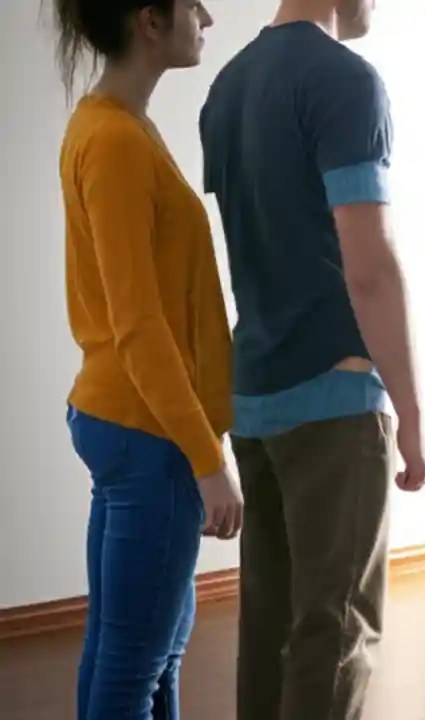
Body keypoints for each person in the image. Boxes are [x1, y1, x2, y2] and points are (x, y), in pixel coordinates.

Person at [199, 0, 425, 717]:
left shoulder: (227, 89)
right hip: (333, 401)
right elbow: (369, 266)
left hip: (257, 399)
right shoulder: (345, 82)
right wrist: (416, 414)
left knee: (272, 628)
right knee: (334, 633)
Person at [51, 1, 244, 718]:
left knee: (131, 650)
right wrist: (206, 460)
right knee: (137, 661)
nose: (208, 17)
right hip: (148, 432)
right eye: (193, 3)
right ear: (148, 21)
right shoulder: (115, 142)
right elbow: (138, 323)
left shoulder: (112, 126)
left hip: (127, 422)